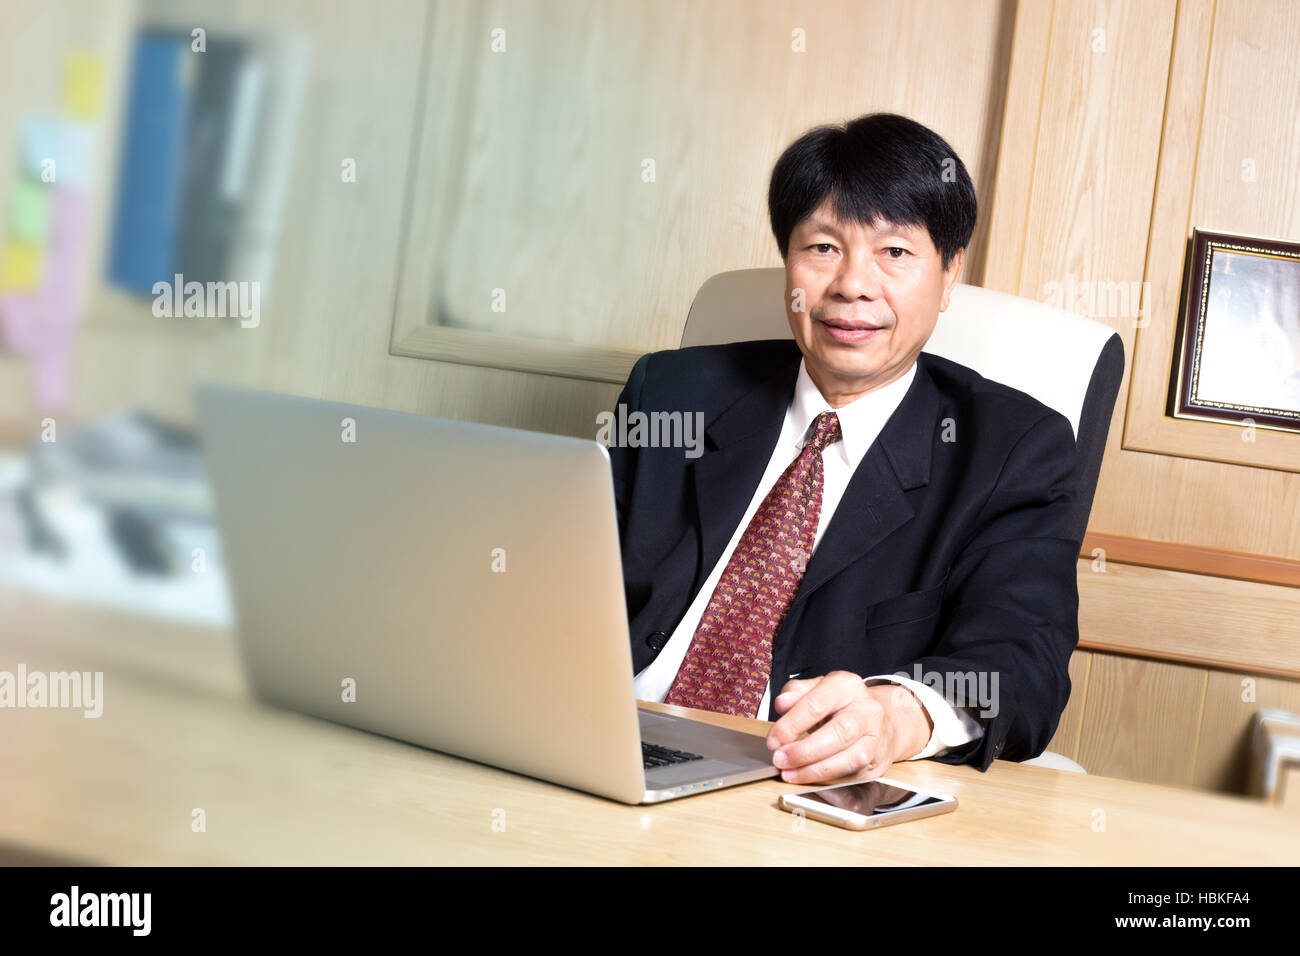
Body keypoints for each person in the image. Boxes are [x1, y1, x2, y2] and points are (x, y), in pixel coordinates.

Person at [608, 113, 1082, 784]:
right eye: (824, 247)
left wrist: (897, 716)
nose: (852, 285)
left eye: (895, 253)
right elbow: (560, 578)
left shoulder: (1012, 450)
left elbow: (1023, 664)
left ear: (949, 274)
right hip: (605, 742)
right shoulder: (670, 393)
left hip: (796, 783)